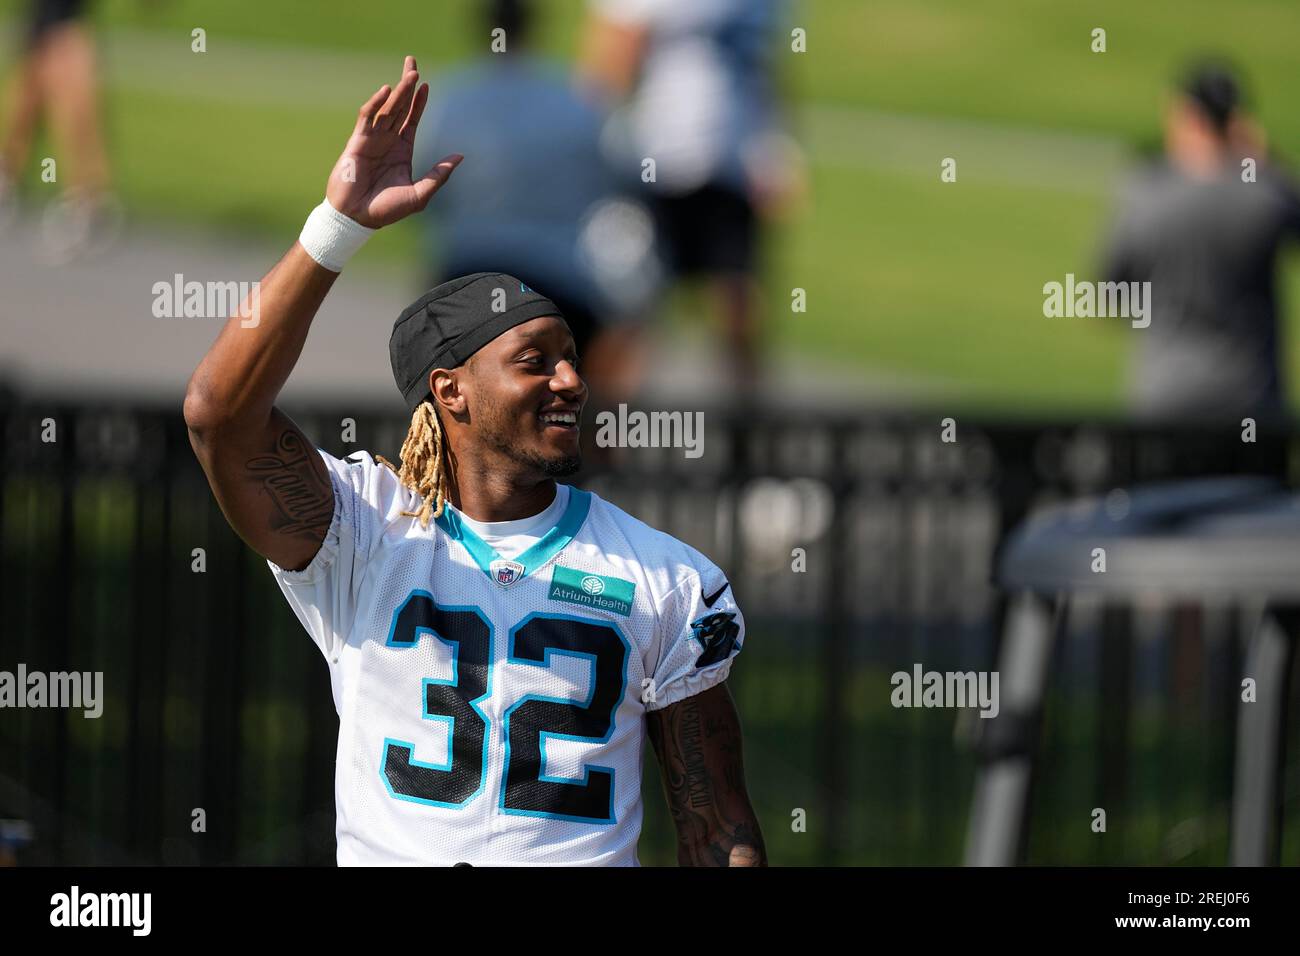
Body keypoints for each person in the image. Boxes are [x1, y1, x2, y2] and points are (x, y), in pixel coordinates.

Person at [183, 57, 765, 866]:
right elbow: (221, 414)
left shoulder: (664, 578)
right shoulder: (364, 533)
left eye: (571, 356)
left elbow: (717, 829)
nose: (571, 380)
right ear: (450, 391)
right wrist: (336, 228)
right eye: (536, 360)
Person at [412, 0, 659, 403]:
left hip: (463, 272)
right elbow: (622, 181)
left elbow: (425, 185)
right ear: (534, 28)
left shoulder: (454, 98)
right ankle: (592, 451)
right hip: (559, 280)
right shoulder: (575, 101)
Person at [577, 0, 806, 391]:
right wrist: (586, 149)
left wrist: (777, 149)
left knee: (741, 310)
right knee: (632, 317)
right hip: (650, 168)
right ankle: (597, 435)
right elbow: (608, 64)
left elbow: (765, 70)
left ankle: (745, 441)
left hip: (730, 169)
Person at [1100, 60, 1300, 425]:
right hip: (1252, 402)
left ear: (1188, 115)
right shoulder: (1267, 196)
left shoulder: (1147, 193)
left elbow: (1107, 297)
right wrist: (1267, 162)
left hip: (1166, 396)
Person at [0, 0, 119, 258]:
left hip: (62, 19)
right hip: (46, 19)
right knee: (32, 86)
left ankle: (88, 201)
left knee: (67, 80)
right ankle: (8, 178)